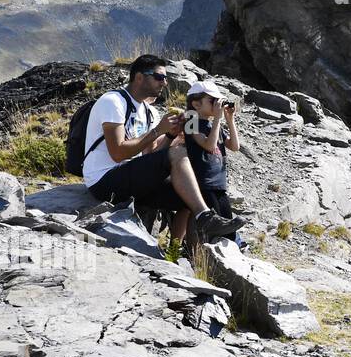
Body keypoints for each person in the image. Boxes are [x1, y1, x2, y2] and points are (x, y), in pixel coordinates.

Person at [83, 55, 242, 241]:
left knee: (192, 191)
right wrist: (158, 130)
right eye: (159, 77)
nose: (165, 82)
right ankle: (205, 217)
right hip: (104, 180)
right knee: (179, 154)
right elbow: (118, 153)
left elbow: (151, 156)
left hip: (133, 178)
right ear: (140, 77)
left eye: (165, 78)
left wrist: (170, 135)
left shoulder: (149, 111)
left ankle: (192, 256)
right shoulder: (113, 102)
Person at [165, 79, 242, 261]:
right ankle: (188, 255)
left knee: (225, 226)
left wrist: (229, 120)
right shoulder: (192, 122)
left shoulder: (214, 124)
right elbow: (208, 145)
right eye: (212, 101)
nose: (217, 105)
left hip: (218, 183)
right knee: (200, 221)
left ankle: (212, 258)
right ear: (196, 103)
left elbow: (235, 146)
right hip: (202, 182)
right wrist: (217, 119)